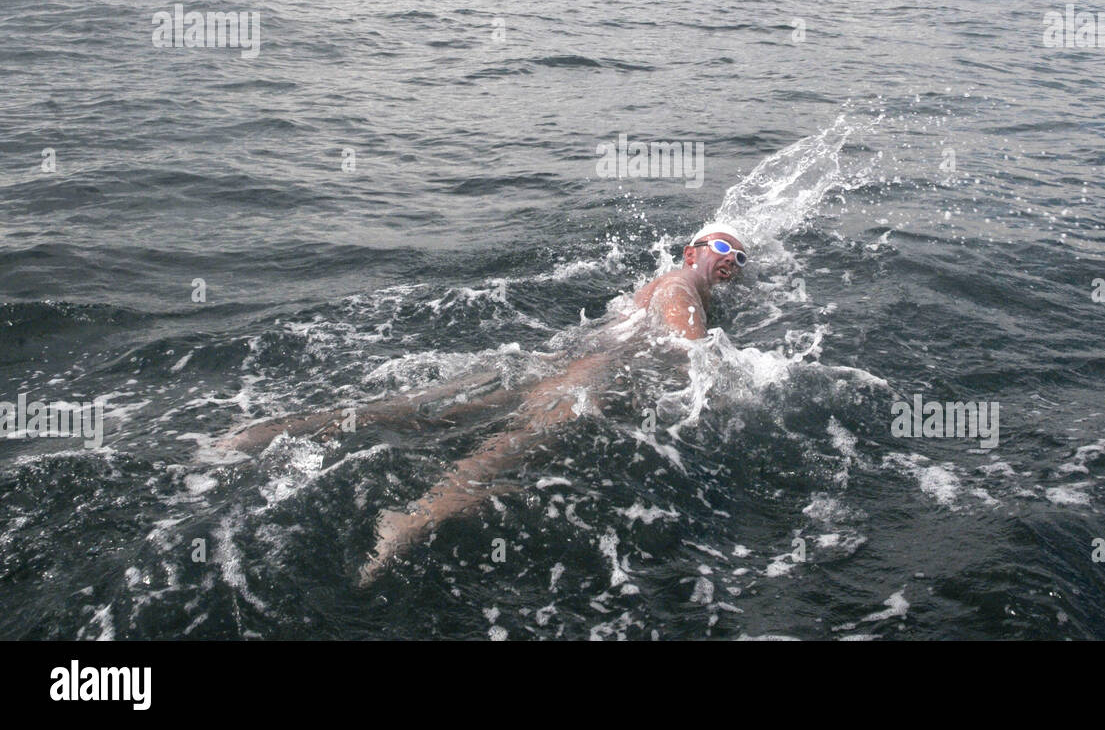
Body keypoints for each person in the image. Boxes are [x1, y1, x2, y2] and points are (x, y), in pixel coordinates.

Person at [214, 222, 748, 585]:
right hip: (595, 367)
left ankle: (255, 436)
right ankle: (414, 518)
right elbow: (689, 352)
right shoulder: (683, 285)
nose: (731, 261)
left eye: (740, 257)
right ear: (693, 252)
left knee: (424, 406)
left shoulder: (656, 283)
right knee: (525, 438)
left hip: (562, 353)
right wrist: (714, 384)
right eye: (722, 249)